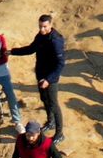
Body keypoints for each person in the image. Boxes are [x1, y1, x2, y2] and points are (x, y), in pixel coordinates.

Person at [10, 13, 67, 141]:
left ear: (50, 25)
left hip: (50, 78)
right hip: (41, 74)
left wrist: (49, 79)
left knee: (54, 104)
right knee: (44, 99)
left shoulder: (56, 40)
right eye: (40, 26)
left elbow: (61, 63)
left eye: (45, 26)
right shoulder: (40, 36)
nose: (42, 29)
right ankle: (50, 121)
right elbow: (31, 49)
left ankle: (59, 134)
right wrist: (12, 52)